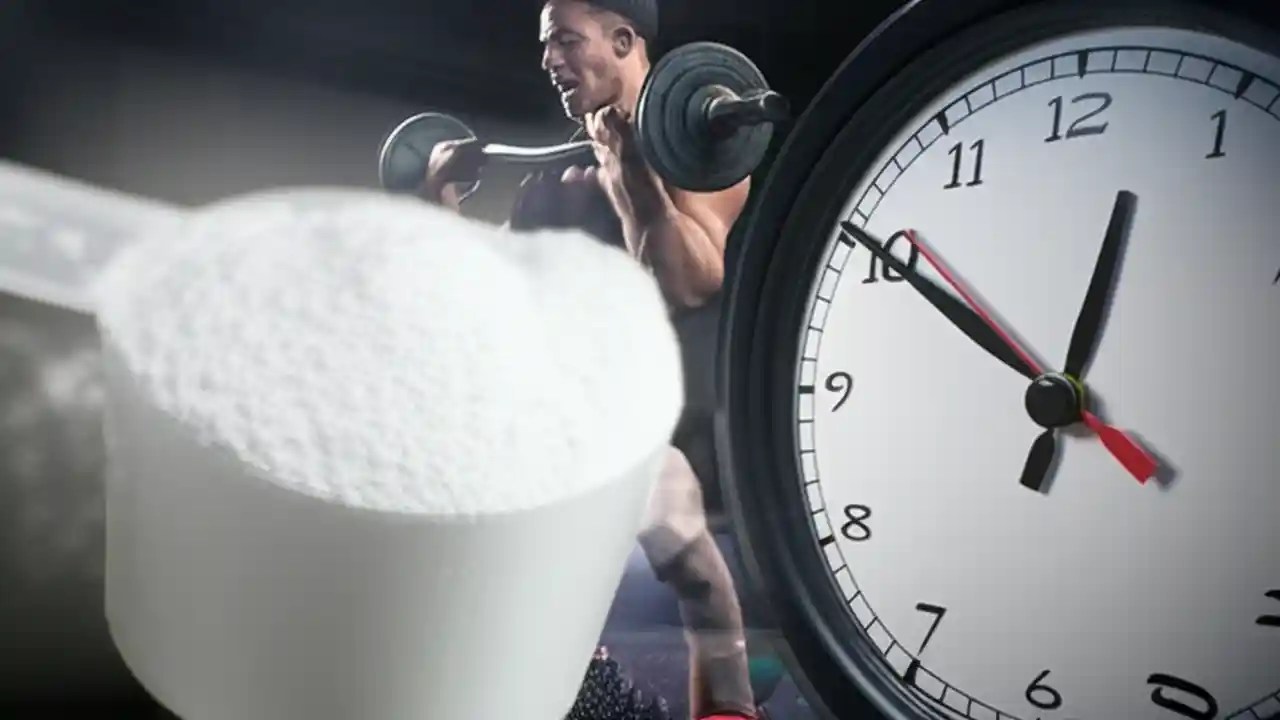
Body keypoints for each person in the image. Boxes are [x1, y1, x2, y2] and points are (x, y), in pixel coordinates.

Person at [415, 1, 758, 718]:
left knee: (701, 580)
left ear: (626, 41)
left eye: (565, 41)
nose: (549, 60)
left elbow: (687, 280)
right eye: (546, 47)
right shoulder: (550, 184)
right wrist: (437, 202)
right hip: (539, 429)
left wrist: (631, 166)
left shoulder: (700, 156)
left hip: (634, 426)